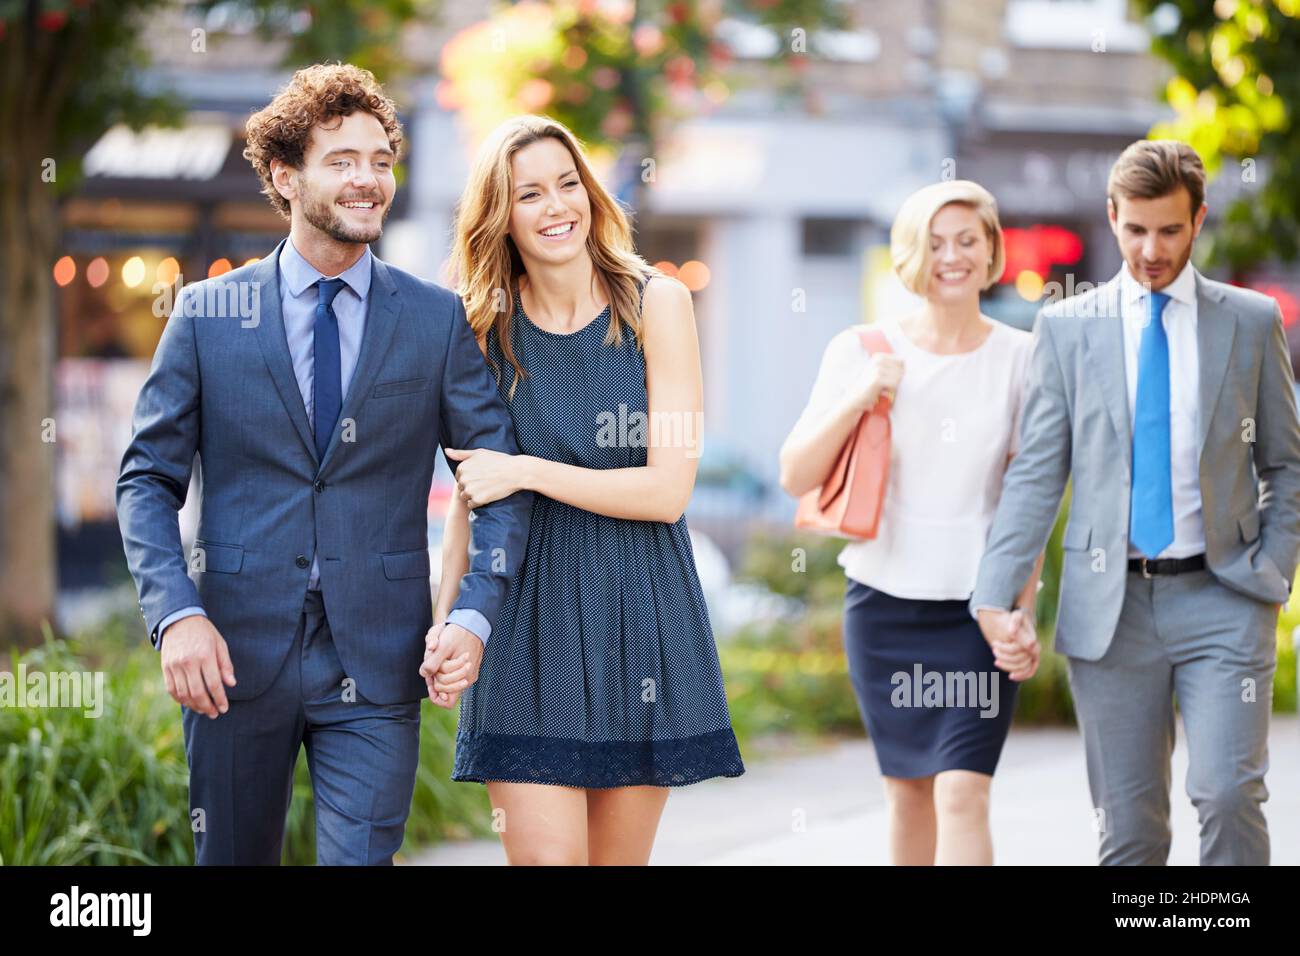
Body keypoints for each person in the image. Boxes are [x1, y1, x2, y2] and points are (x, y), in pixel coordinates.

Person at [115, 64, 533, 865]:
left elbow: (498, 479)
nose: (369, 180)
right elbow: (146, 481)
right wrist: (175, 615)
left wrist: (475, 613)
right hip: (231, 655)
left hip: (376, 663)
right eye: (342, 160)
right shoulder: (207, 315)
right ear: (285, 176)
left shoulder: (435, 319)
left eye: (380, 160)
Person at [421, 114, 744, 866]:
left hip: (639, 604)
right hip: (527, 618)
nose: (556, 206)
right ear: (500, 216)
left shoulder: (655, 302)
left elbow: (669, 489)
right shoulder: (479, 328)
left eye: (567, 184)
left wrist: (529, 469)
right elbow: (476, 500)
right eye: (529, 193)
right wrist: (448, 623)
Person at [971, 139, 1300, 865]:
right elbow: (1037, 473)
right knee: (1129, 831)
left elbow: (1285, 462)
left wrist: (1272, 571)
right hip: (1109, 609)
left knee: (1226, 793)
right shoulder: (1065, 328)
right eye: (1136, 229)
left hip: (1224, 595)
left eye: (1171, 230)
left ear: (1199, 220)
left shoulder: (1248, 322)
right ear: (1113, 217)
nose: (1152, 249)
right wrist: (996, 595)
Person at [779, 180, 1040, 865]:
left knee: (962, 792)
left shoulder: (1023, 357)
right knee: (908, 795)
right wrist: (863, 395)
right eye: (935, 242)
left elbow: (1028, 499)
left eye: (967, 240)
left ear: (991, 252)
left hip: (976, 613)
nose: (951, 256)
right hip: (884, 609)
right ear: (911, 255)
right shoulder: (861, 349)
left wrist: (1020, 610)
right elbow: (795, 473)